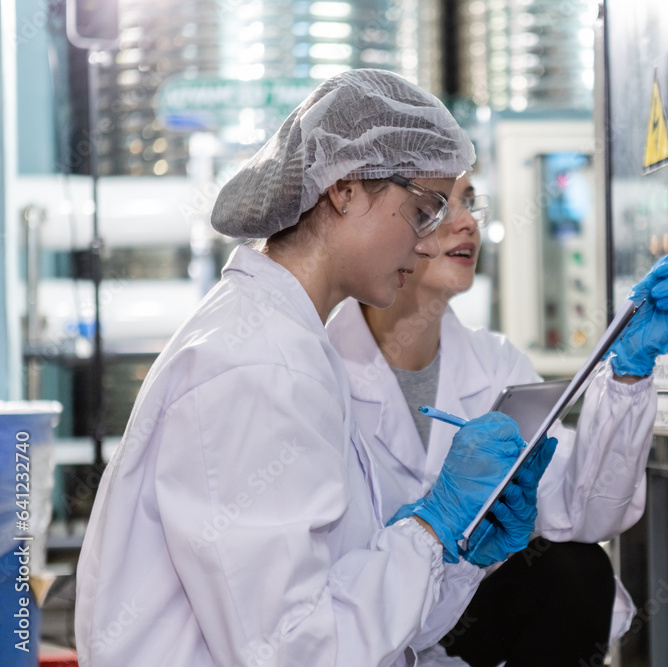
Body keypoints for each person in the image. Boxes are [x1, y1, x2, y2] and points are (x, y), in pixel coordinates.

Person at [74, 69, 554, 667]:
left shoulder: (293, 342)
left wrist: (454, 552)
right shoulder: (259, 363)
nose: (429, 243)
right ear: (345, 189)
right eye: (423, 210)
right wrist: (430, 530)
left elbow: (343, 607)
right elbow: (293, 650)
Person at [326, 173, 668, 665]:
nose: (466, 225)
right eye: (437, 205)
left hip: (462, 624)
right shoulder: (318, 367)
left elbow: (585, 515)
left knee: (575, 568)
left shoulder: (495, 363)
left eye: (471, 203)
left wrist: (627, 375)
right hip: (348, 633)